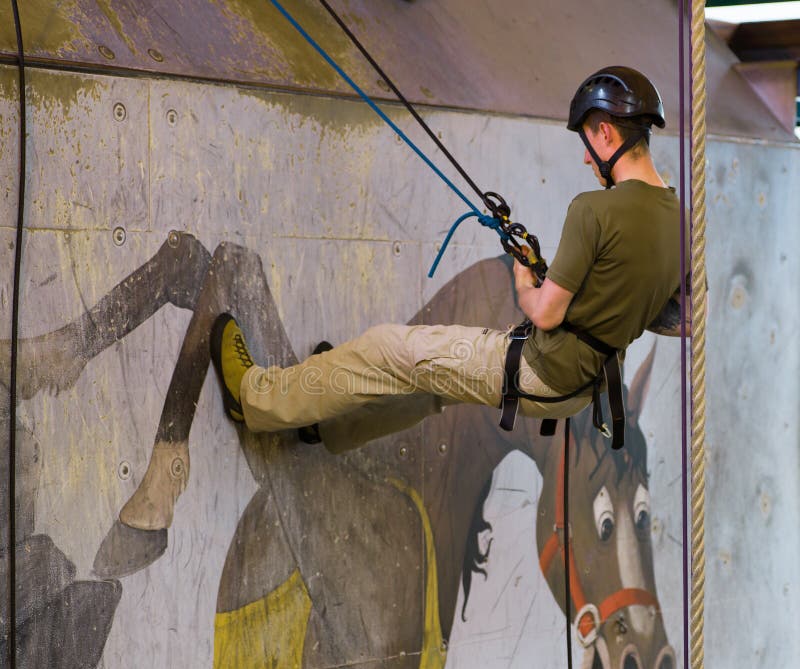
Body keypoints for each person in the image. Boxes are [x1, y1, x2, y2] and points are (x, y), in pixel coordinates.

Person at [209, 66, 685, 453]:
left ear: (605, 133)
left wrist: (524, 278)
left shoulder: (594, 209)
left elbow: (544, 312)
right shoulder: (678, 218)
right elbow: (668, 317)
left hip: (542, 371)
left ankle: (254, 400)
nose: (586, 159)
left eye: (586, 141)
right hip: (583, 390)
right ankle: (327, 422)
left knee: (384, 350)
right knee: (435, 380)